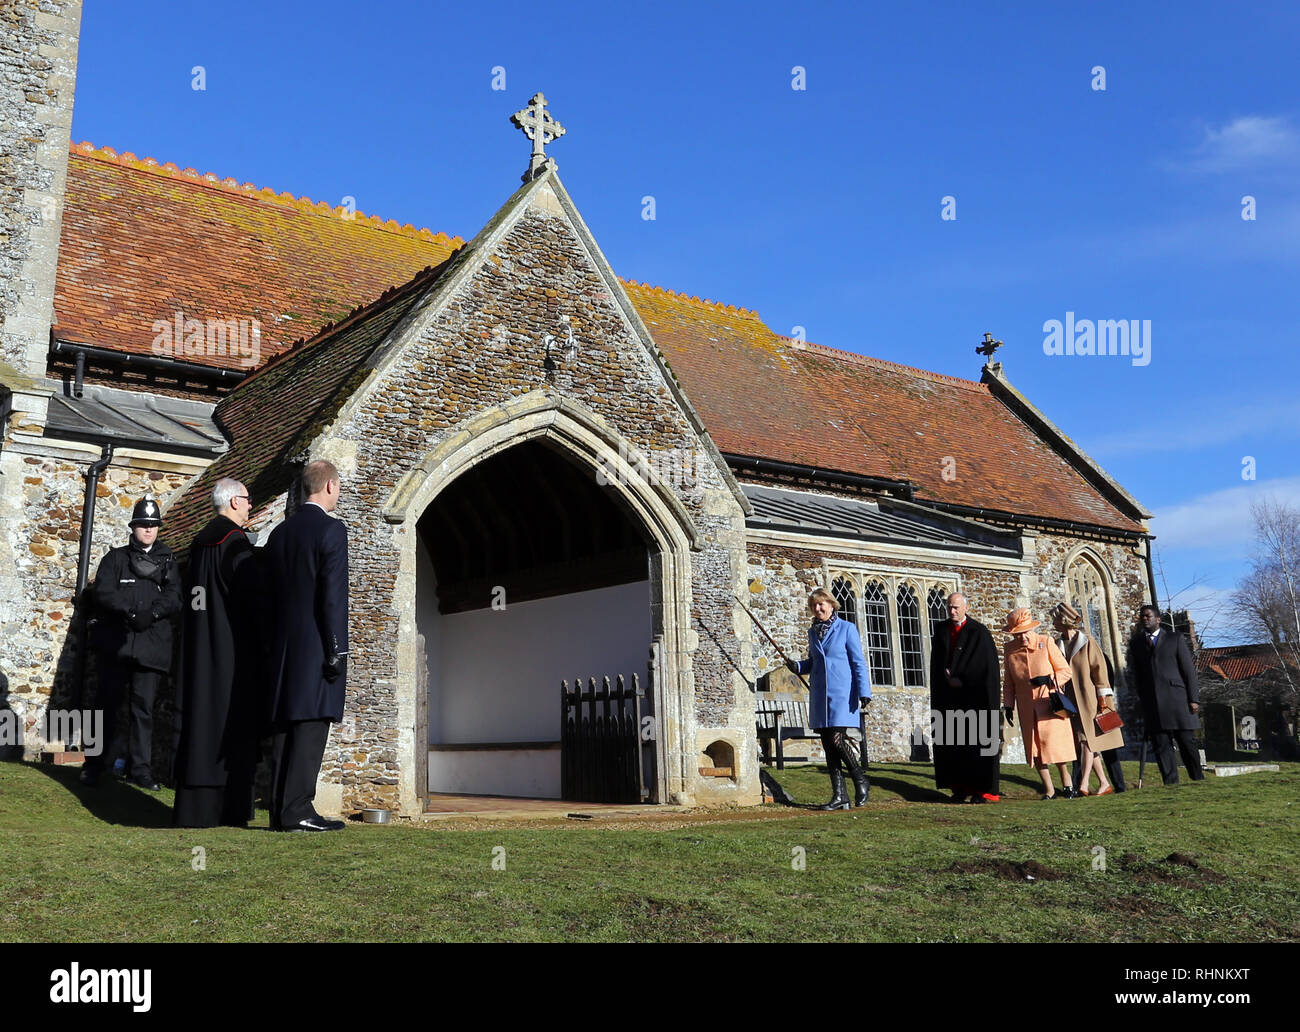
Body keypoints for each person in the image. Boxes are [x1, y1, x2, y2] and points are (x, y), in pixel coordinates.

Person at [173, 478, 266, 828]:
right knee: (230, 723)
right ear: (231, 502)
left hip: (199, 646)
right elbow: (249, 598)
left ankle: (195, 809)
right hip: (230, 650)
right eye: (246, 500)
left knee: (201, 722)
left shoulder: (200, 544)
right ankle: (229, 809)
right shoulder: (234, 543)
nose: (250, 505)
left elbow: (194, 596)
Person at [264, 460, 349, 832]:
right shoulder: (330, 530)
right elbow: (332, 596)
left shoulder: (280, 534)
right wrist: (336, 648)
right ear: (329, 486)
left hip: (282, 648)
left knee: (285, 728)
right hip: (316, 645)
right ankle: (298, 810)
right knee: (312, 726)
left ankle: (280, 809)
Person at [81, 494, 181, 790]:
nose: (148, 530)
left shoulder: (168, 561)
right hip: (117, 644)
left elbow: (175, 597)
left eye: (153, 525)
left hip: (150, 646)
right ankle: (94, 765)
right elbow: (104, 592)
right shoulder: (115, 559)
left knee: (143, 711)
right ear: (133, 527)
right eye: (143, 524)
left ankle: (141, 771)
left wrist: (153, 612)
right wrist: (130, 610)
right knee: (104, 708)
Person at [787, 587, 871, 810]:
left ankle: (860, 779)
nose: (817, 608)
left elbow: (858, 662)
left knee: (836, 739)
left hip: (843, 693)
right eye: (814, 605)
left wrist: (864, 691)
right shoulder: (813, 632)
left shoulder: (847, 629)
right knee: (828, 744)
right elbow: (814, 661)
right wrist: (797, 666)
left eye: (821, 604)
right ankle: (839, 796)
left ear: (832, 604)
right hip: (820, 695)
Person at [928, 592, 1002, 803]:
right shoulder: (941, 630)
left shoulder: (978, 632)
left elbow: (984, 666)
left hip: (974, 698)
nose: (952, 611)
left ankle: (982, 790)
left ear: (966, 608)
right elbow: (938, 662)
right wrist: (945, 680)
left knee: (977, 743)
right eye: (950, 607)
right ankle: (958, 787)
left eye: (957, 607)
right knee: (953, 742)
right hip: (949, 698)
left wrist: (963, 680)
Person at [1001, 607, 1077, 799]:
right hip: (1026, 707)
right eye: (1018, 635)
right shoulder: (1009, 650)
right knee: (1034, 749)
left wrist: (1049, 679)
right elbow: (1008, 683)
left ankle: (1067, 785)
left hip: (1049, 703)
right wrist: (1008, 705)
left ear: (1031, 630)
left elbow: (1065, 671)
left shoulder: (1046, 642)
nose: (1023, 638)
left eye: (1025, 633)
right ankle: (1049, 790)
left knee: (1056, 745)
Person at [1051, 601, 1124, 796]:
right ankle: (1103, 782)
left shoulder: (1087, 641)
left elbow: (1100, 671)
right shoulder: (1057, 644)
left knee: (1086, 741)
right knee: (1087, 741)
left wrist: (1103, 699)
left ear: (1064, 620)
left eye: (1055, 619)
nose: (1053, 623)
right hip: (1070, 699)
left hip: (1090, 699)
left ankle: (1082, 784)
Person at [1126, 604, 1204, 784]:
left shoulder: (1174, 639)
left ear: (1158, 619)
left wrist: (1193, 699)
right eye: (1142, 617)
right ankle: (1170, 782)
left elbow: (1188, 671)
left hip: (1177, 700)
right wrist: (1140, 701)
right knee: (1161, 745)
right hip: (1153, 703)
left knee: (1187, 742)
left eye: (1148, 616)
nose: (1145, 619)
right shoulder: (1136, 643)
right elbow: (1136, 674)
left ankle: (1198, 778)